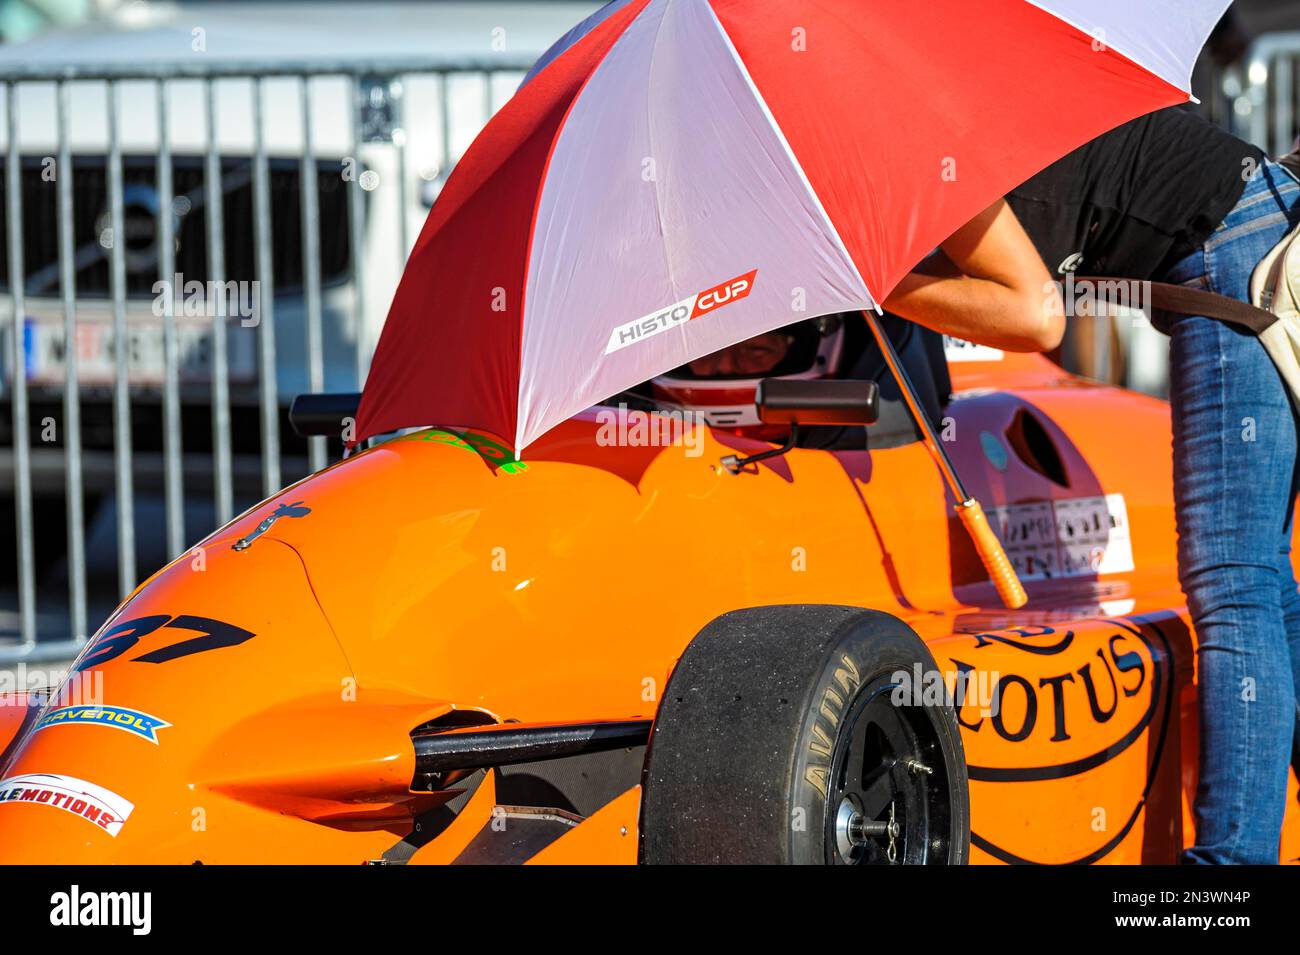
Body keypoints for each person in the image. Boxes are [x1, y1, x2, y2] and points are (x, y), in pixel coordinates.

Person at [886, 105, 1299, 865]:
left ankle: (1230, 871)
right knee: (1267, 582)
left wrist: (887, 282)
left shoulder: (914, 143)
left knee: (1235, 583)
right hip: (1264, 223)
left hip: (1235, 250)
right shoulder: (936, 104)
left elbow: (1037, 317)